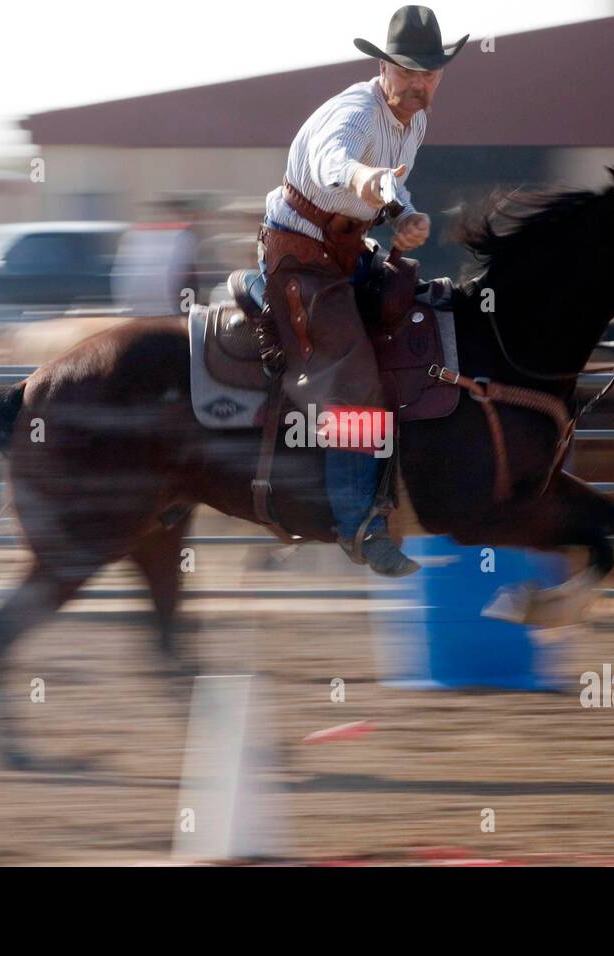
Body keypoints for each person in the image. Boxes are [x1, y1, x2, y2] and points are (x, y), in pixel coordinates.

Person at [256, 5, 467, 576]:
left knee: (418, 314)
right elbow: (334, 165)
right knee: (352, 372)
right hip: (298, 256)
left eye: (429, 73)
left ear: (440, 76)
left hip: (345, 250)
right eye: (408, 71)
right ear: (383, 66)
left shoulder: (414, 119)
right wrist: (371, 183)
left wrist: (408, 214)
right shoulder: (355, 110)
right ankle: (358, 523)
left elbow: (395, 185)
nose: (418, 82)